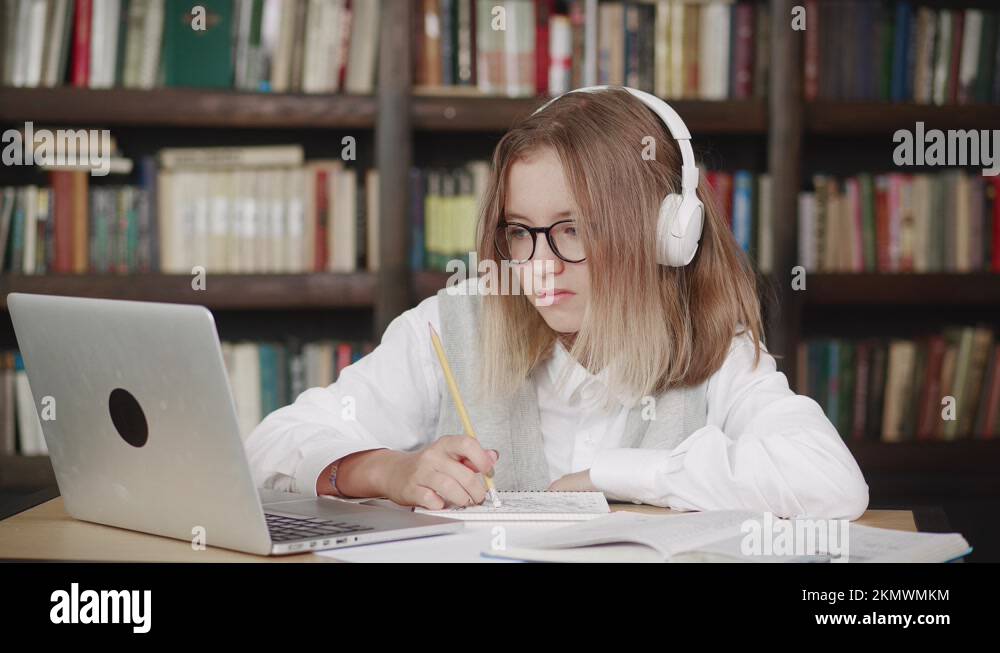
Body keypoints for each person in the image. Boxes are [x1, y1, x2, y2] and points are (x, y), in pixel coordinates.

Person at [244, 86, 869, 520]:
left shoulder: (716, 350)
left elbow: (829, 480)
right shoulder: (452, 323)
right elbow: (270, 446)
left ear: (662, 233)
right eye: (521, 231)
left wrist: (609, 476)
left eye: (573, 229)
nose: (539, 265)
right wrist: (382, 470)